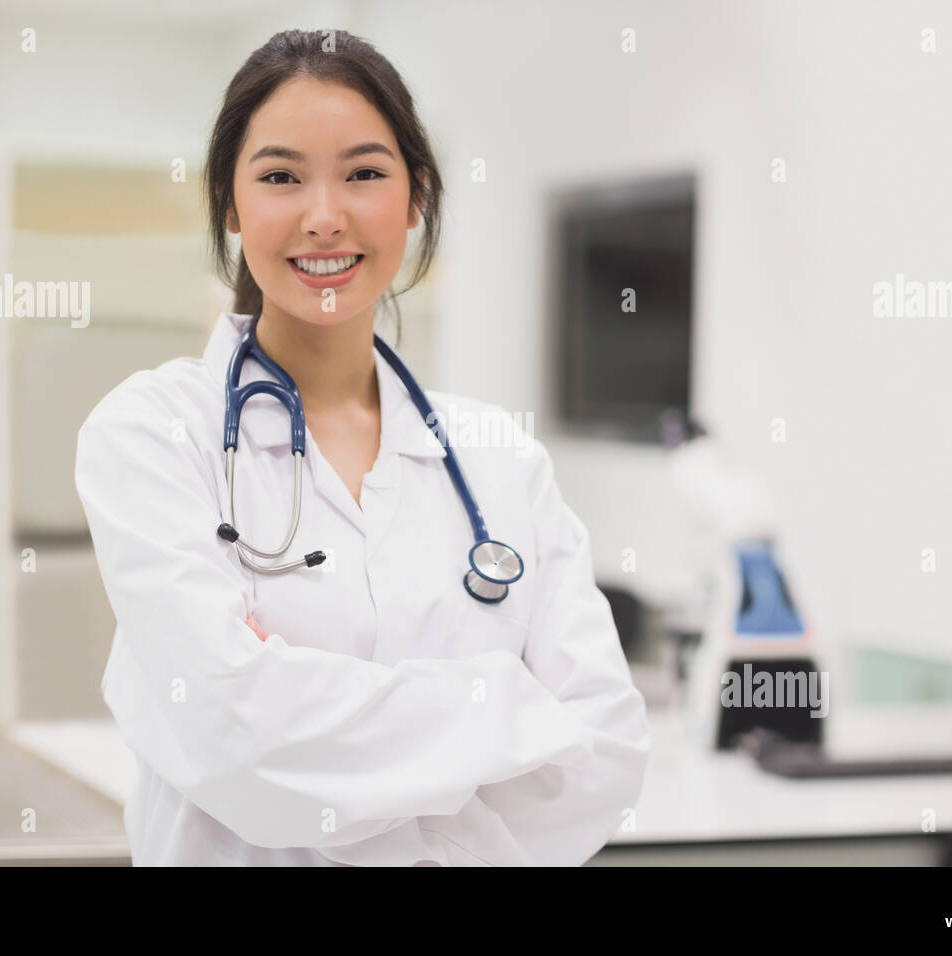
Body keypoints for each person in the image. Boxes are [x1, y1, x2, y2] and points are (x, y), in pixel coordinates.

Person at [74, 28, 650, 866]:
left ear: (415, 196)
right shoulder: (152, 434)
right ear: (231, 205)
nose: (324, 217)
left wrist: (317, 727)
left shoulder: (501, 460)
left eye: (365, 174)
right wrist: (507, 705)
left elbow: (606, 754)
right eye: (279, 177)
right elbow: (236, 734)